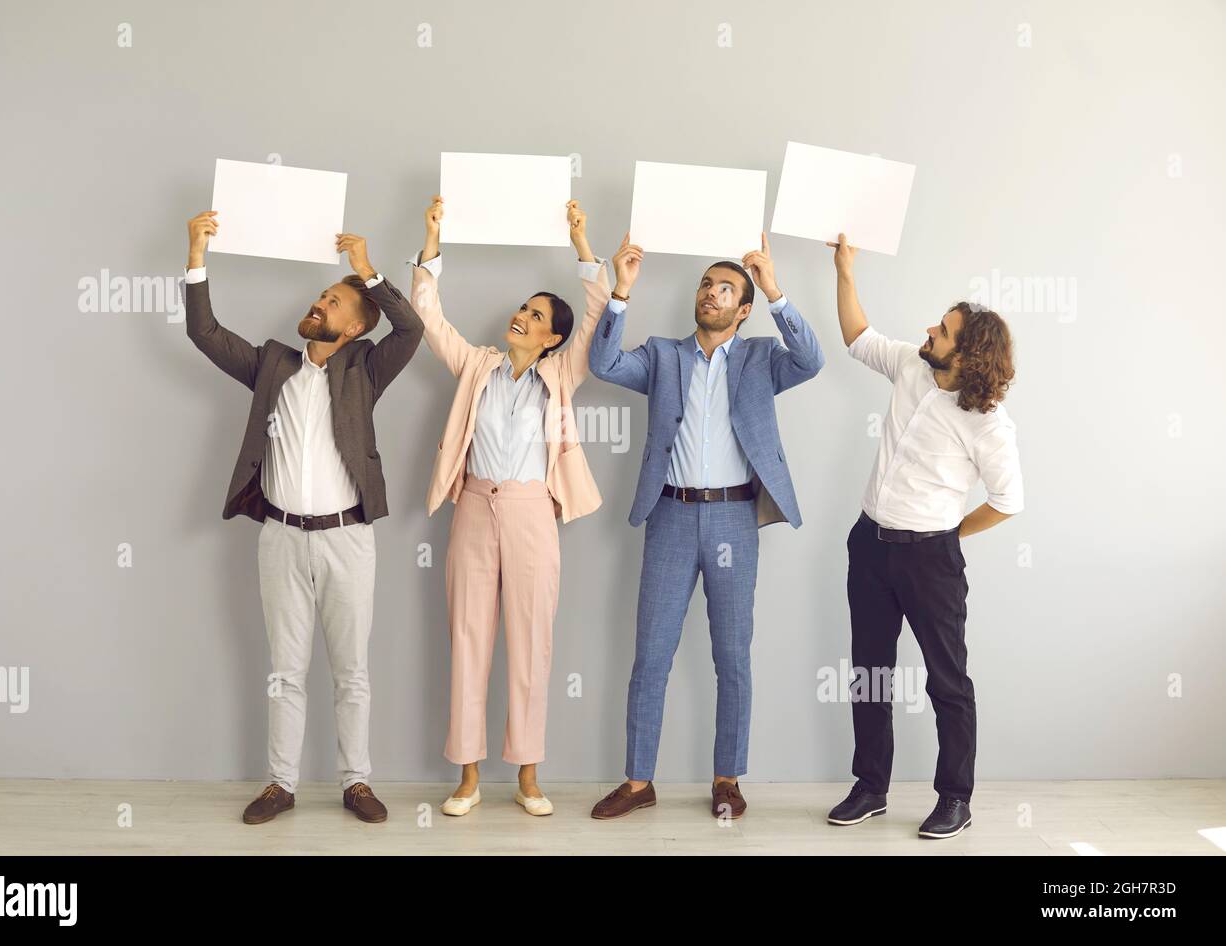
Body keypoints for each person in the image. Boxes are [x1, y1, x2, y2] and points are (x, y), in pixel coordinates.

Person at [182, 210, 423, 825]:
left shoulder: (366, 368)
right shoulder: (272, 364)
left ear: (355, 326)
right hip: (282, 539)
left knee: (352, 671)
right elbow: (204, 331)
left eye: (334, 301)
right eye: (321, 296)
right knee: (284, 670)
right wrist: (197, 254)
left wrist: (366, 273)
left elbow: (411, 328)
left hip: (348, 538)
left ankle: (357, 784)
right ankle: (280, 785)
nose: (320, 303)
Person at [587, 231, 824, 820]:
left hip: (734, 518)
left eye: (725, 288)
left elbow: (813, 360)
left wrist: (775, 290)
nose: (711, 293)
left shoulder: (761, 357)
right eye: (706, 285)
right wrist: (620, 291)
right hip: (669, 513)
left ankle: (727, 779)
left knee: (732, 656)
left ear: (743, 309)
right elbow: (603, 363)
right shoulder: (663, 355)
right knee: (651, 655)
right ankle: (639, 782)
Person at [409, 196, 609, 817]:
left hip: (530, 516)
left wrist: (582, 243)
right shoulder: (477, 366)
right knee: (468, 636)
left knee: (531, 641)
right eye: (523, 308)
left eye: (535, 314)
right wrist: (432, 243)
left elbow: (600, 315)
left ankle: (527, 775)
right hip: (472, 508)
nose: (521, 317)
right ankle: (468, 777)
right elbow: (426, 316)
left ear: (553, 336)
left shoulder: (562, 374)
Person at [823, 232, 1023, 840]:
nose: (928, 332)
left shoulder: (989, 424)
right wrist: (845, 271)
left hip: (931, 559)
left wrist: (952, 535)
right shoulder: (912, 363)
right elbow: (857, 334)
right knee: (870, 672)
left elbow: (1009, 502)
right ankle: (871, 787)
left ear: (968, 354)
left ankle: (955, 798)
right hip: (870, 546)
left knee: (947, 682)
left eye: (942, 329)